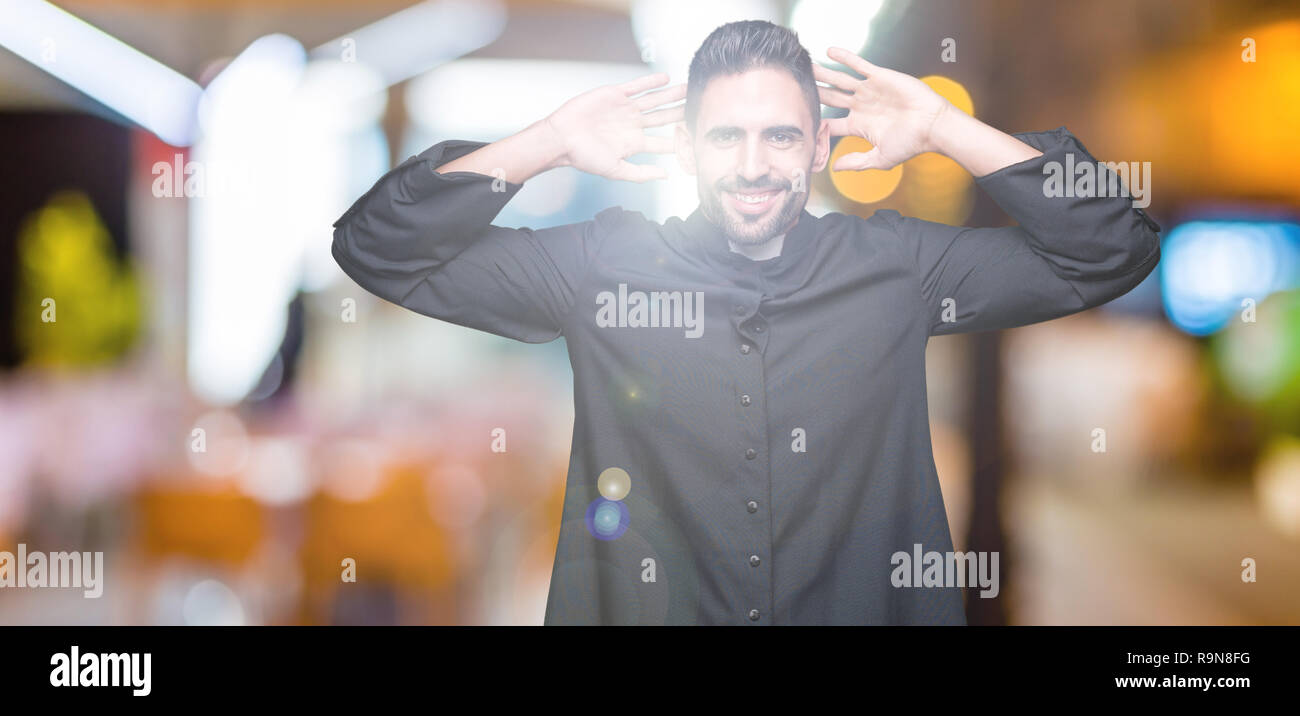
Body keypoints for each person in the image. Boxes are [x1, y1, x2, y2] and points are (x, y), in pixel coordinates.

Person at [331, 20, 1161, 625]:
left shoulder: (898, 270)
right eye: (726, 136)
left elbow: (1112, 248)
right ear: (689, 149)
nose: (754, 164)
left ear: (819, 148)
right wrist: (546, 141)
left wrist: (944, 127)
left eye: (779, 136)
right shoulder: (599, 269)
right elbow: (376, 248)